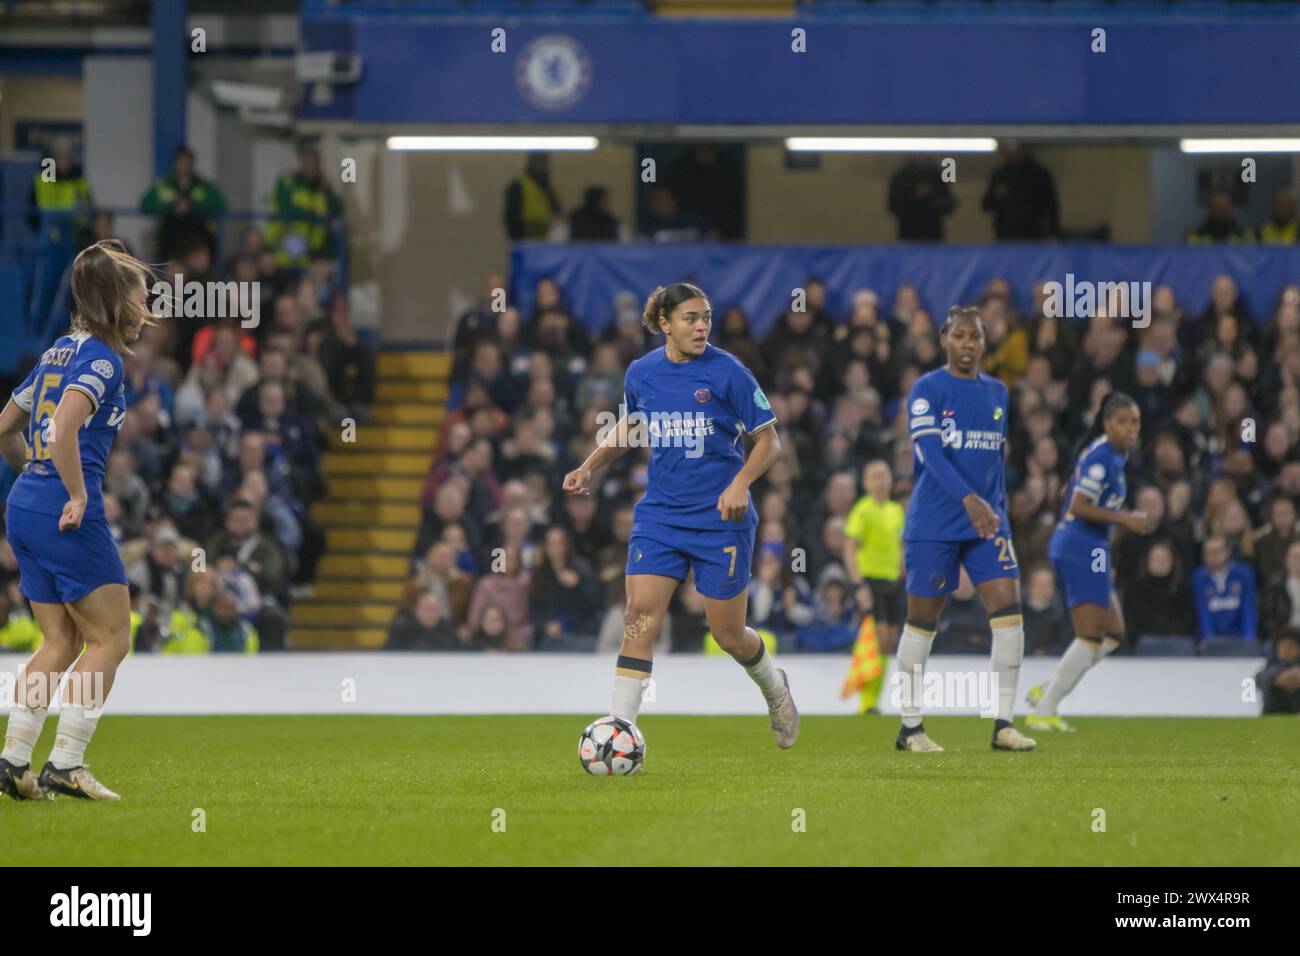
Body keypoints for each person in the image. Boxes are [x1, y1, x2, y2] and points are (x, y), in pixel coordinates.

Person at [562, 282, 798, 749]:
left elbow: (770, 441)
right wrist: (588, 465)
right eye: (691, 318)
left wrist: (739, 484)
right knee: (639, 616)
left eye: (706, 316)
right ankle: (619, 733)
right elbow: (631, 427)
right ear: (664, 323)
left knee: (728, 634)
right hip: (661, 516)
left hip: (720, 518)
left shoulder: (730, 372)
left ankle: (775, 689)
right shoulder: (641, 373)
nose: (702, 325)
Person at [0, 240, 153, 801]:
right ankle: (65, 763)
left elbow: (4, 429)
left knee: (59, 640)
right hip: (64, 510)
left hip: (25, 506)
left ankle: (13, 760)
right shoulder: (103, 361)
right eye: (140, 300)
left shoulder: (58, 351)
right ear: (117, 303)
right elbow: (64, 428)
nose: (146, 312)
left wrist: (36, 481)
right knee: (112, 636)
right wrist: (75, 493)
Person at [896, 305, 1035, 752]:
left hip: (988, 523)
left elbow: (993, 458)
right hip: (936, 523)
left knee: (1010, 616)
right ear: (944, 340)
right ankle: (910, 728)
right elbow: (931, 453)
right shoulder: (927, 389)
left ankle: (1003, 724)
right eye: (959, 336)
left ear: (984, 342)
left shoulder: (998, 393)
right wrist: (969, 499)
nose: (968, 344)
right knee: (922, 622)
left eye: (975, 337)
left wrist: (993, 507)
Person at [1026, 393, 1153, 732]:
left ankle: (1047, 688)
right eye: (1122, 422)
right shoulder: (1103, 459)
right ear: (1107, 423)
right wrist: (1125, 518)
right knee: (1090, 636)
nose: (1130, 429)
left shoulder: (1109, 455)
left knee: (1114, 632)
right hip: (1079, 547)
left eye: (1135, 422)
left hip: (1093, 548)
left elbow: (1074, 491)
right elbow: (1079, 505)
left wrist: (1106, 551)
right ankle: (1045, 708)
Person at [842, 460, 905, 710]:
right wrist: (858, 585)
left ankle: (874, 698)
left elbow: (901, 546)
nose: (880, 481)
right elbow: (849, 549)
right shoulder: (863, 510)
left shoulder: (896, 510)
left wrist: (903, 573)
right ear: (866, 483)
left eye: (884, 476)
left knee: (888, 640)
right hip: (870, 579)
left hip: (892, 580)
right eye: (874, 477)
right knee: (874, 638)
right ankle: (866, 700)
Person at [138, 144, 228, 261]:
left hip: (198, 237)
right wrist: (171, 208)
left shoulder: (204, 185)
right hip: (169, 238)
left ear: (192, 164)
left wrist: (193, 207)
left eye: (187, 162)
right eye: (181, 162)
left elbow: (220, 206)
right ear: (174, 163)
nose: (184, 165)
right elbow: (145, 206)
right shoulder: (163, 185)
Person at [980, 143, 1059, 240]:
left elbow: (1051, 205)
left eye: (1013, 148)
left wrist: (1053, 231)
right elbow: (986, 205)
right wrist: (996, 196)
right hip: (1005, 235)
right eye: (1006, 149)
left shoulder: (1039, 174)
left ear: (1023, 148)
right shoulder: (1000, 174)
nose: (1009, 152)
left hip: (1033, 234)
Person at [1192, 535, 1258, 642]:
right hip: (1213, 640)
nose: (1211, 556)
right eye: (1207, 553)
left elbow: (1248, 608)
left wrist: (1249, 639)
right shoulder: (1199, 577)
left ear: (1227, 551)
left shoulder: (1243, 574)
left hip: (1239, 637)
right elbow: (1203, 612)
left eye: (1216, 552)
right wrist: (1209, 641)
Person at [887, 156, 956, 241]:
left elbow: (946, 205)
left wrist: (933, 200)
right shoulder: (900, 177)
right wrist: (914, 197)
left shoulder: (938, 176)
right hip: (909, 233)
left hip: (933, 234)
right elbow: (893, 206)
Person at [504, 152, 562, 241]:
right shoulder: (518, 186)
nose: (543, 166)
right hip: (525, 241)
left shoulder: (547, 187)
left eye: (544, 162)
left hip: (546, 241)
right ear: (531, 163)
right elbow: (512, 218)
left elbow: (557, 212)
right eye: (539, 161)